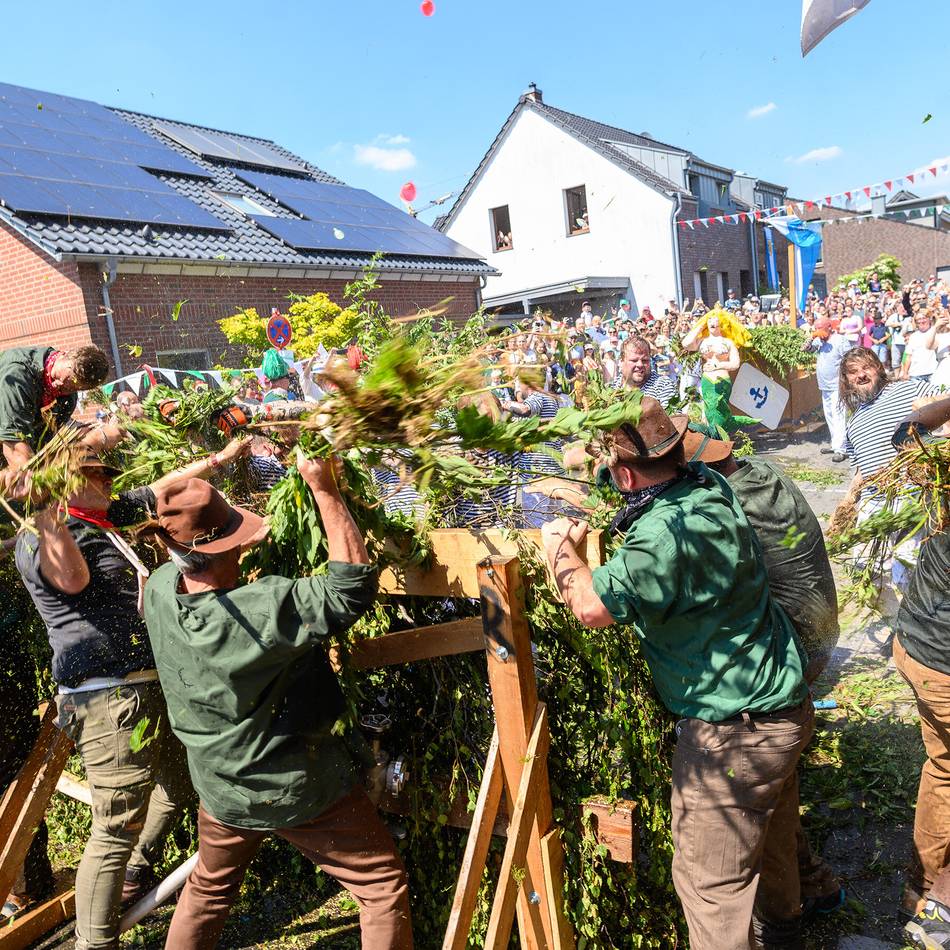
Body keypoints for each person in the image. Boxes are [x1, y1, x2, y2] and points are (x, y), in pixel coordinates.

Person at [540, 398, 812, 950]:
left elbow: (592, 608)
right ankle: (786, 933)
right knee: (772, 838)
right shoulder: (709, 487)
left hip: (732, 736)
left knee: (711, 885)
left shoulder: (663, 536)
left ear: (624, 474)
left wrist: (561, 553)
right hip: (782, 709)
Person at [142, 460, 413, 949]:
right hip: (293, 785)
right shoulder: (262, 607)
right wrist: (324, 489)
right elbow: (350, 586)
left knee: (208, 888)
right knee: (380, 887)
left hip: (221, 783)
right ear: (229, 544)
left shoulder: (158, 589)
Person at [12, 438, 248, 950]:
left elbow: (160, 491)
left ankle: (136, 869)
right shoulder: (44, 536)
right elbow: (73, 581)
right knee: (113, 826)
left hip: (143, 688)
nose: (111, 482)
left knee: (179, 787)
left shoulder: (102, 517)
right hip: (108, 698)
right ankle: (94, 944)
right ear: (66, 485)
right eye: (99, 475)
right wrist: (44, 509)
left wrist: (217, 461)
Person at [888, 395, 950, 946]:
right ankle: (942, 909)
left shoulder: (940, 471)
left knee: (944, 765)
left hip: (916, 646)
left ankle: (921, 887)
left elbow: (906, 428)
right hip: (946, 662)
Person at [0, 343, 110, 493]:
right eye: (62, 377)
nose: (59, 384)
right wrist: (37, 484)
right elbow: (14, 445)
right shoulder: (18, 374)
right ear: (65, 355)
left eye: (70, 387)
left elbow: (45, 445)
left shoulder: (67, 399)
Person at [680, 310, 757, 432]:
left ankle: (721, 436)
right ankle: (714, 436)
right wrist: (700, 325)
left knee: (720, 410)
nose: (712, 322)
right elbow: (686, 343)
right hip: (707, 381)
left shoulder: (728, 342)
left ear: (721, 324)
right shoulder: (702, 341)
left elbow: (735, 363)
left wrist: (718, 365)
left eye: (715, 320)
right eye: (709, 320)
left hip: (723, 381)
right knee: (709, 411)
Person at [808, 317, 853, 463]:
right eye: (816, 328)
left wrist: (848, 381)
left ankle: (841, 449)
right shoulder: (819, 341)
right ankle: (836, 444)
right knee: (829, 416)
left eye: (820, 328)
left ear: (829, 327)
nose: (818, 331)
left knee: (839, 416)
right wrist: (811, 337)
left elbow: (850, 359)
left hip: (837, 385)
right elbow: (805, 349)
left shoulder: (840, 340)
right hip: (824, 385)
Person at [616, 336, 678, 407]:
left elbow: (673, 416)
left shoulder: (663, 385)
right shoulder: (611, 388)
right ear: (621, 361)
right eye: (634, 360)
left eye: (645, 360)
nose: (640, 365)